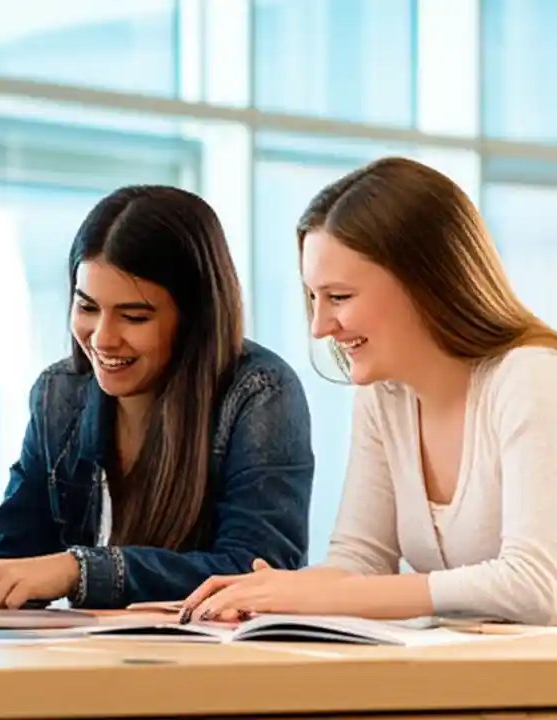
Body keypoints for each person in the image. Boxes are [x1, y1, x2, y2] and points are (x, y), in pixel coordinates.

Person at [181, 157, 557, 626]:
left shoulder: (532, 378)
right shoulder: (386, 397)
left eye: (339, 297)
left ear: (427, 283)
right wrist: (266, 592)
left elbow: (537, 585)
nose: (319, 326)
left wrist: (325, 596)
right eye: (313, 298)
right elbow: (360, 561)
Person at [0, 185, 314, 610]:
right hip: (92, 660)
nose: (102, 338)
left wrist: (77, 569)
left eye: (134, 317)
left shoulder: (260, 393)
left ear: (194, 320)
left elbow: (254, 571)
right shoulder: (59, 394)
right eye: (87, 307)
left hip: (216, 668)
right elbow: (16, 552)